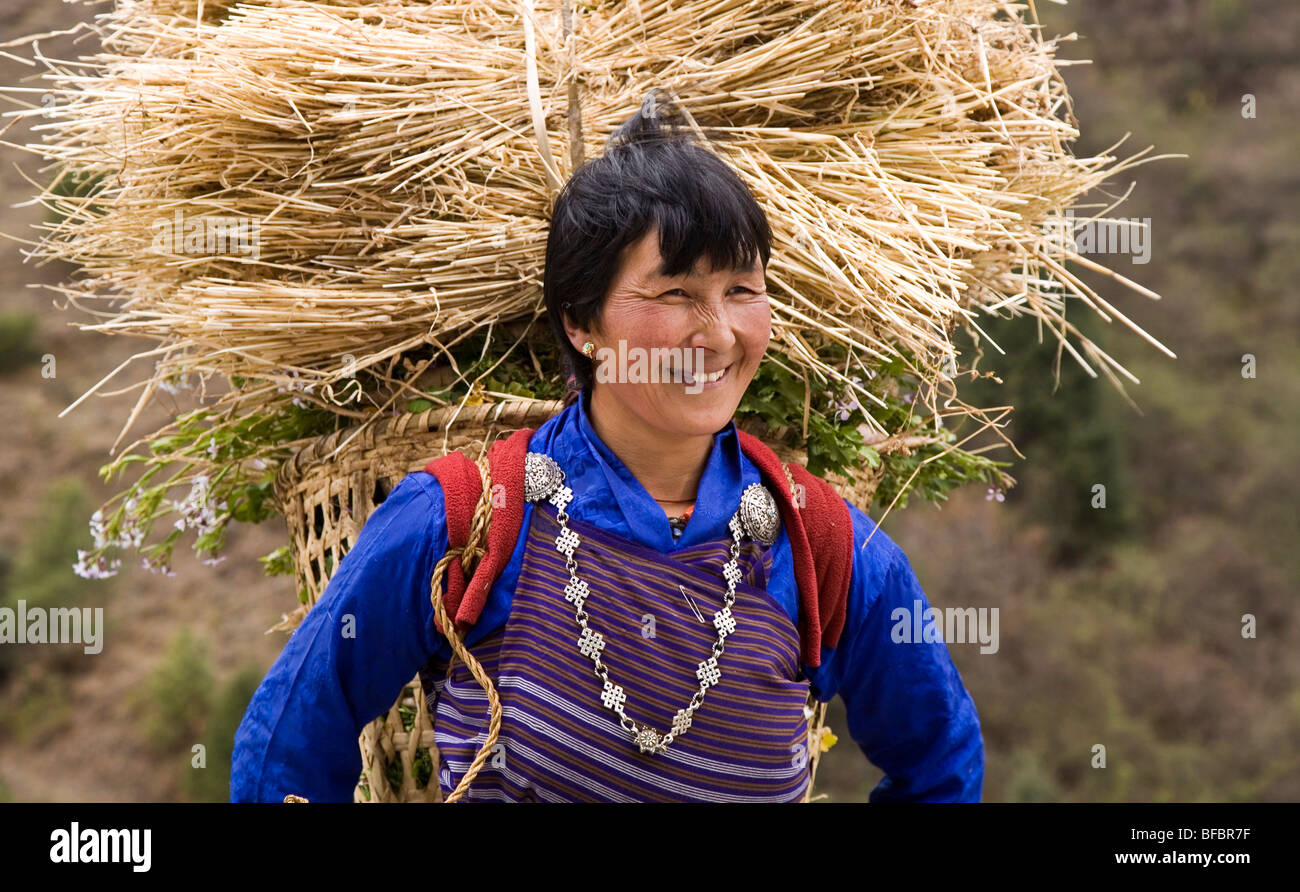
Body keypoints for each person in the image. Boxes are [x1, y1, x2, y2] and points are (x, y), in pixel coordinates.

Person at [230, 99, 984, 802]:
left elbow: (941, 765)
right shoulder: (466, 518)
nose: (718, 334)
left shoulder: (825, 548)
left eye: (742, 290)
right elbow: (288, 746)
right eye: (675, 294)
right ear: (582, 324)